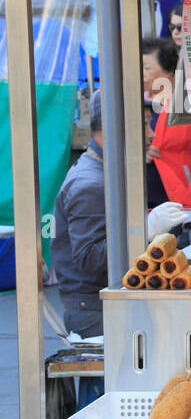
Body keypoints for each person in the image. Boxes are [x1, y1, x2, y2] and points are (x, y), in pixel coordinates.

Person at [51, 91, 109, 337]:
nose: (151, 134)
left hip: (94, 304)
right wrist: (145, 230)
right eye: (144, 124)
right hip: (93, 309)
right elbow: (89, 259)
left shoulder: (100, 170)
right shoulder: (90, 184)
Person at [141, 36, 191, 212]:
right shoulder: (136, 104)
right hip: (142, 201)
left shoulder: (188, 107)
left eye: (146, 68)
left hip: (179, 200)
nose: (140, 73)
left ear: (168, 71)